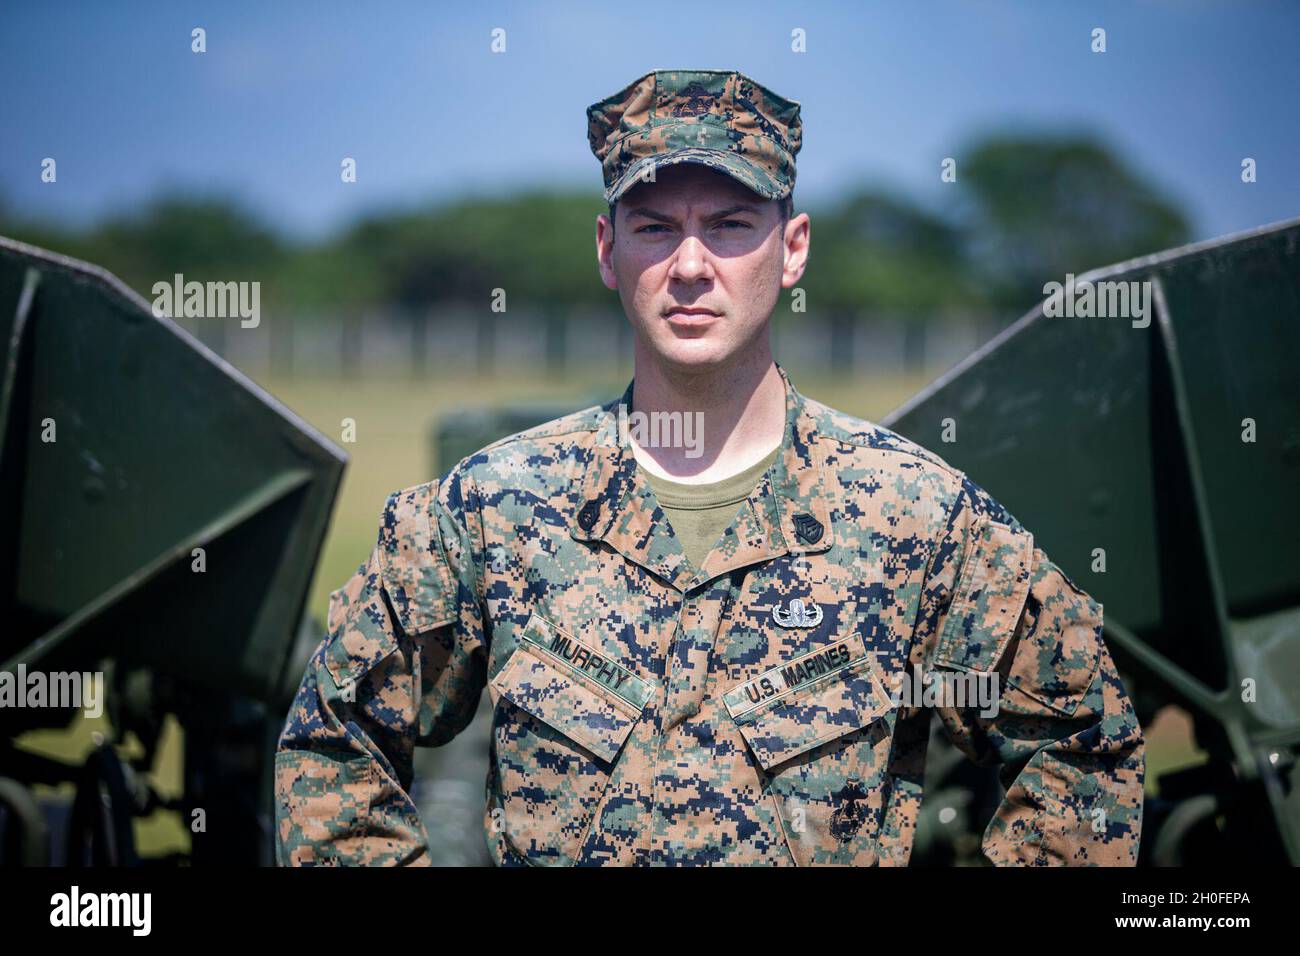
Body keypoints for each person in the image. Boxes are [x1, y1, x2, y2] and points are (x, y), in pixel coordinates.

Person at [274, 68, 1144, 866]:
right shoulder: (494, 510)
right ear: (610, 252)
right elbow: (330, 739)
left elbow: (1084, 740)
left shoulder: (915, 520)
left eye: (729, 226)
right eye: (657, 229)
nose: (691, 265)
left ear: (793, 247)